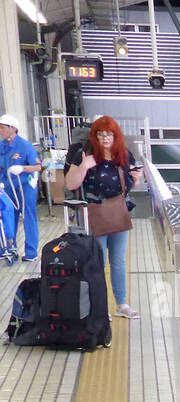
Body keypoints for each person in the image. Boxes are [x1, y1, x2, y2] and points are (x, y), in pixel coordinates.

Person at [61, 115, 142, 319]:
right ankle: (98, 306)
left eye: (109, 134)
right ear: (94, 136)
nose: (105, 138)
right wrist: (84, 166)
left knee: (118, 261)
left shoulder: (123, 154)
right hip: (93, 213)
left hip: (118, 211)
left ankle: (121, 304)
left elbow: (131, 185)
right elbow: (70, 184)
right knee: (96, 262)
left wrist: (136, 179)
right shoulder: (83, 153)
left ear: (116, 135)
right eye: (100, 134)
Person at [0, 114, 41, 263]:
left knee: (28, 216)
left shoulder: (25, 146)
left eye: (2, 127)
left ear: (13, 129)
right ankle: (8, 248)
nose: (0, 130)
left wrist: (22, 168)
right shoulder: (2, 145)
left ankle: (31, 252)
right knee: (7, 216)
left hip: (25, 187)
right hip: (7, 186)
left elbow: (38, 166)